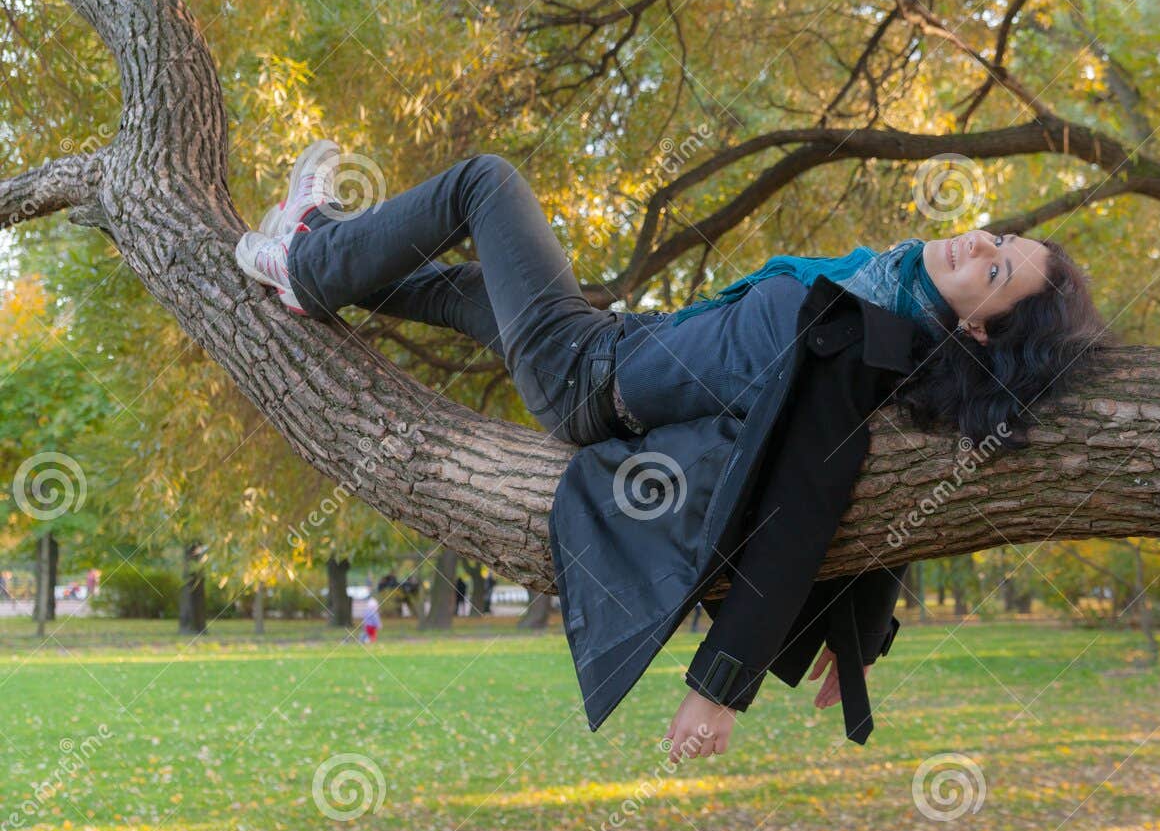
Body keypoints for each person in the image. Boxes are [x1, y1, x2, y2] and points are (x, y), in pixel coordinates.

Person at [235, 142, 1111, 756]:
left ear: (979, 335)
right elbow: (893, 497)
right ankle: (322, 260)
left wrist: (720, 686)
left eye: (995, 273)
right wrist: (864, 640)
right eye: (1000, 239)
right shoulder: (883, 302)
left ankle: (310, 257)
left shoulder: (869, 343)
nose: (979, 245)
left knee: (484, 184)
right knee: (471, 290)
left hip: (584, 372)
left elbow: (806, 507)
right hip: (606, 342)